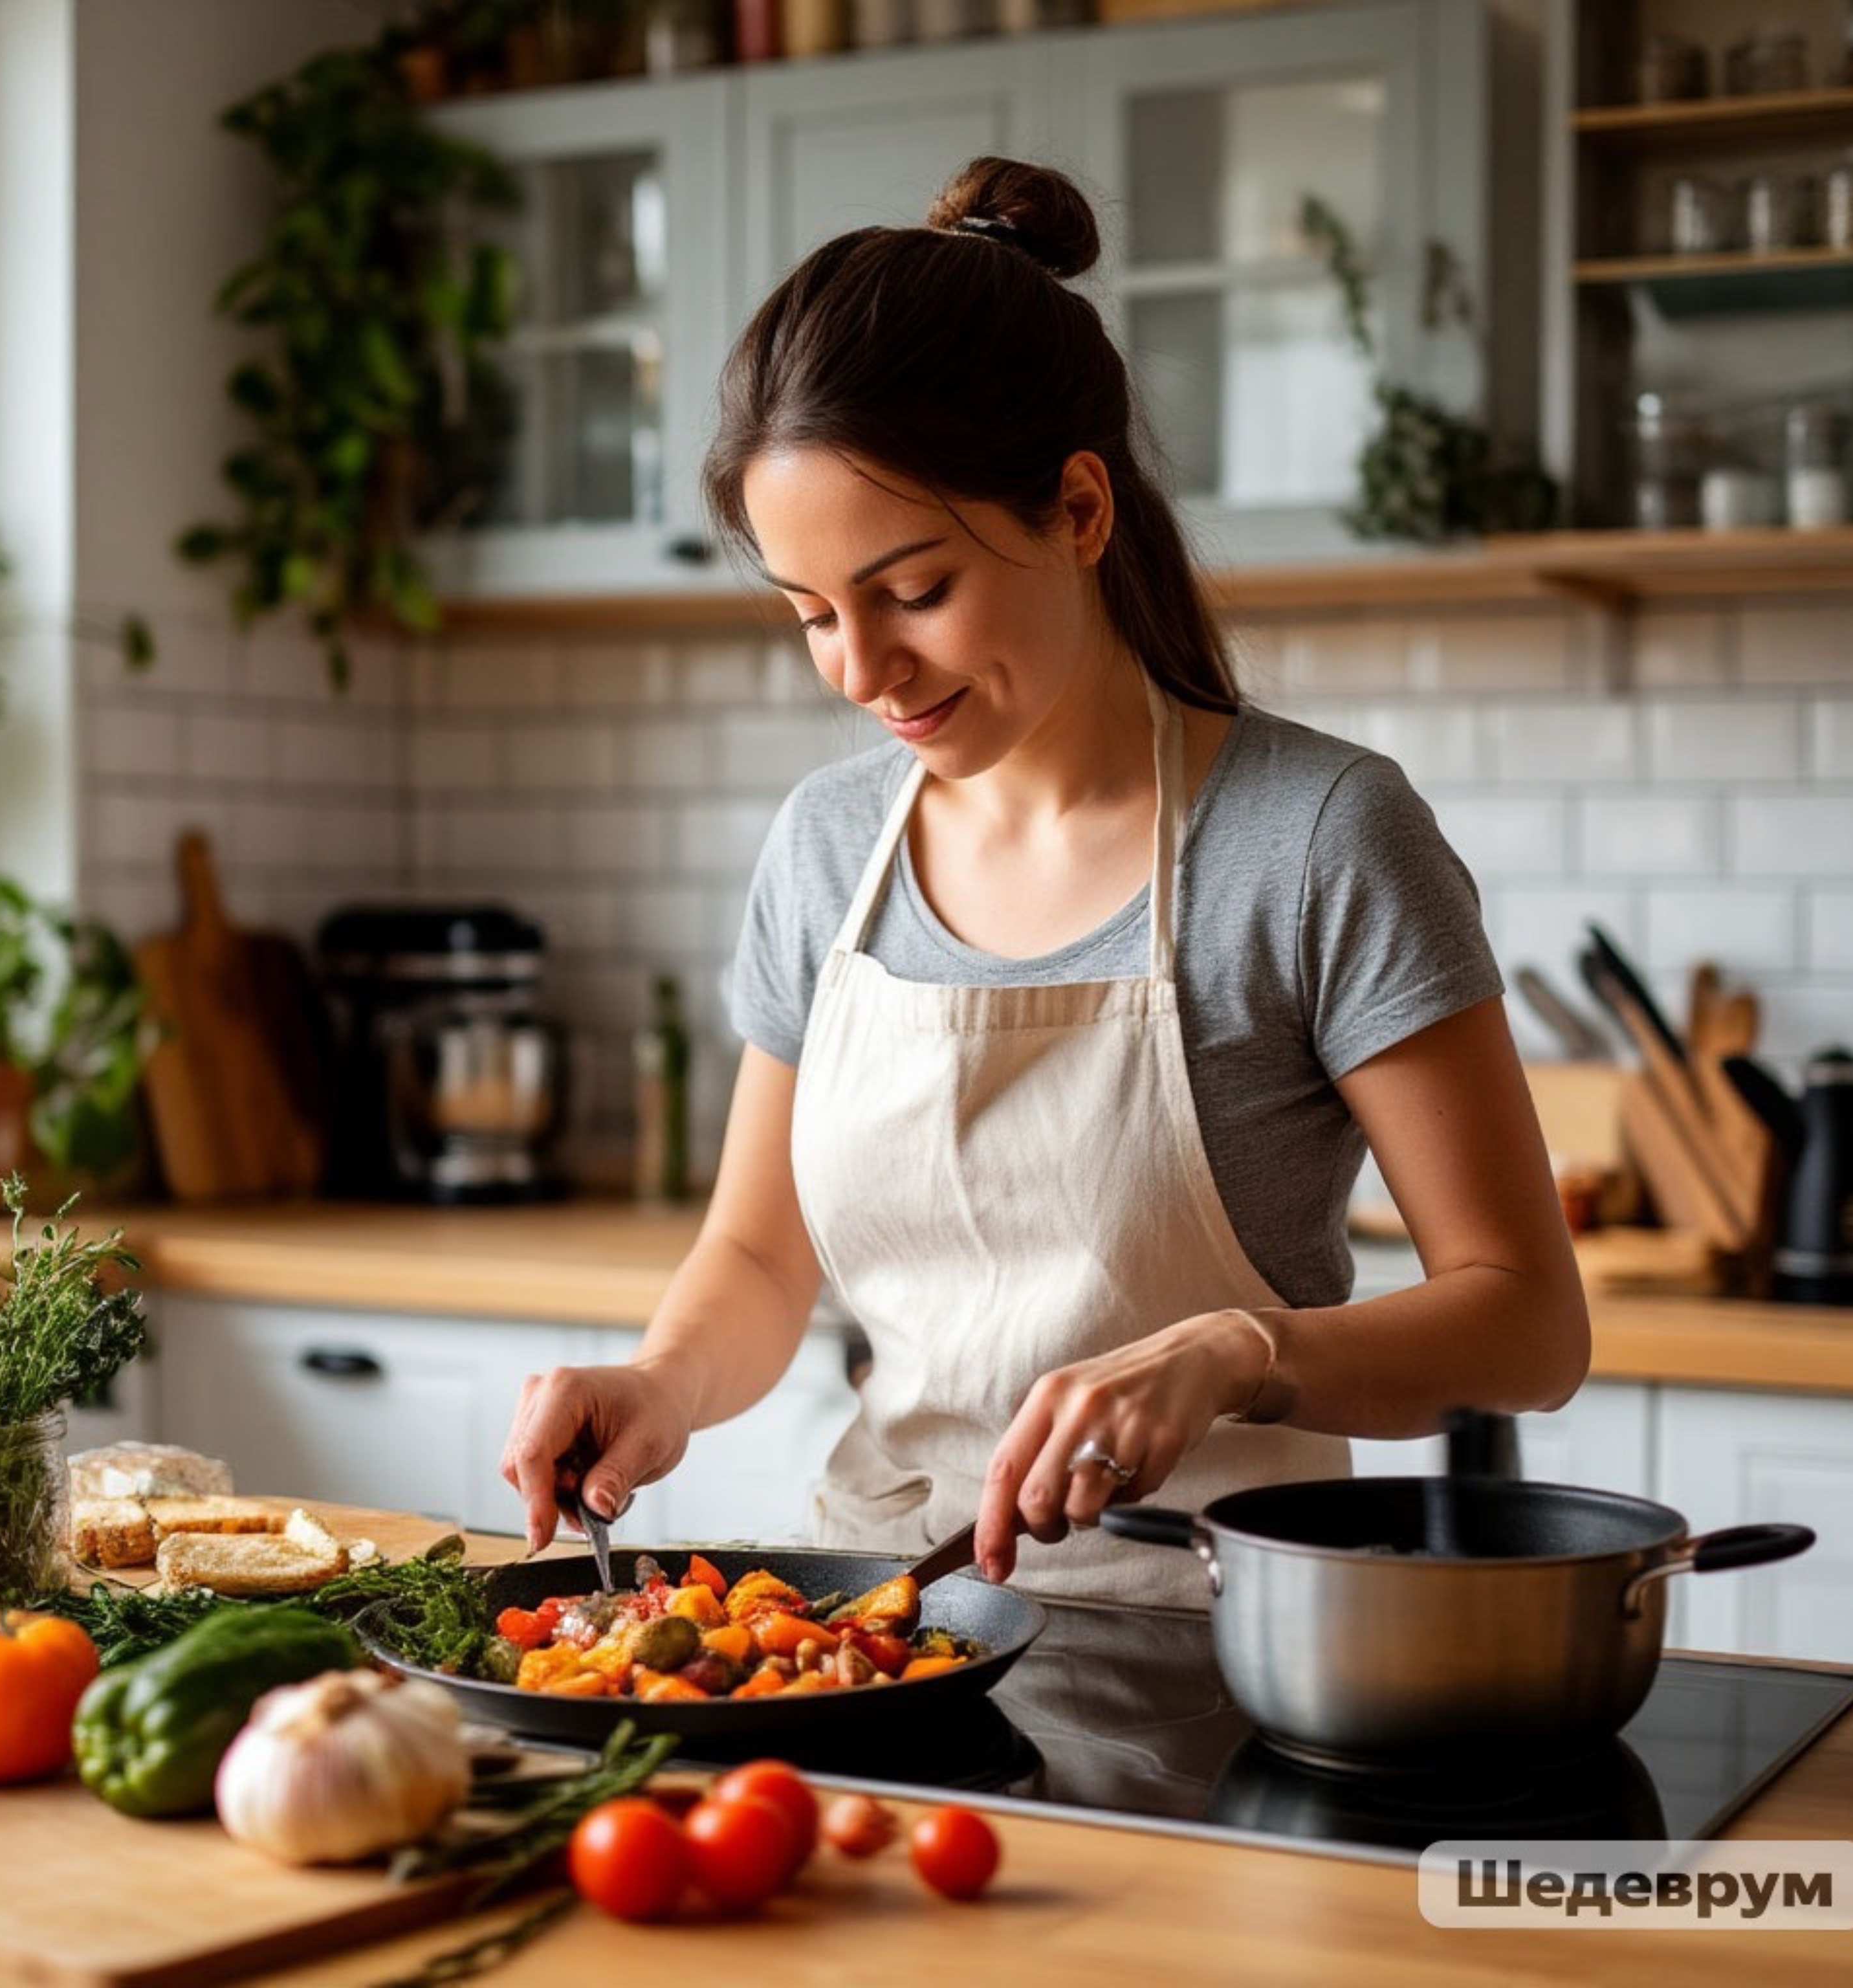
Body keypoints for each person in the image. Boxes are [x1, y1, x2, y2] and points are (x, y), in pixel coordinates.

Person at [501, 157, 1590, 1608]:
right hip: (880, 1629)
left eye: (913, 592)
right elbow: (761, 1258)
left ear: (1080, 509)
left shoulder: (1317, 837)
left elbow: (1526, 1327)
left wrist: (1242, 1350)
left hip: (1220, 1645)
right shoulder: (829, 849)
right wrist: (661, 1382)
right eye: (812, 614)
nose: (863, 671)